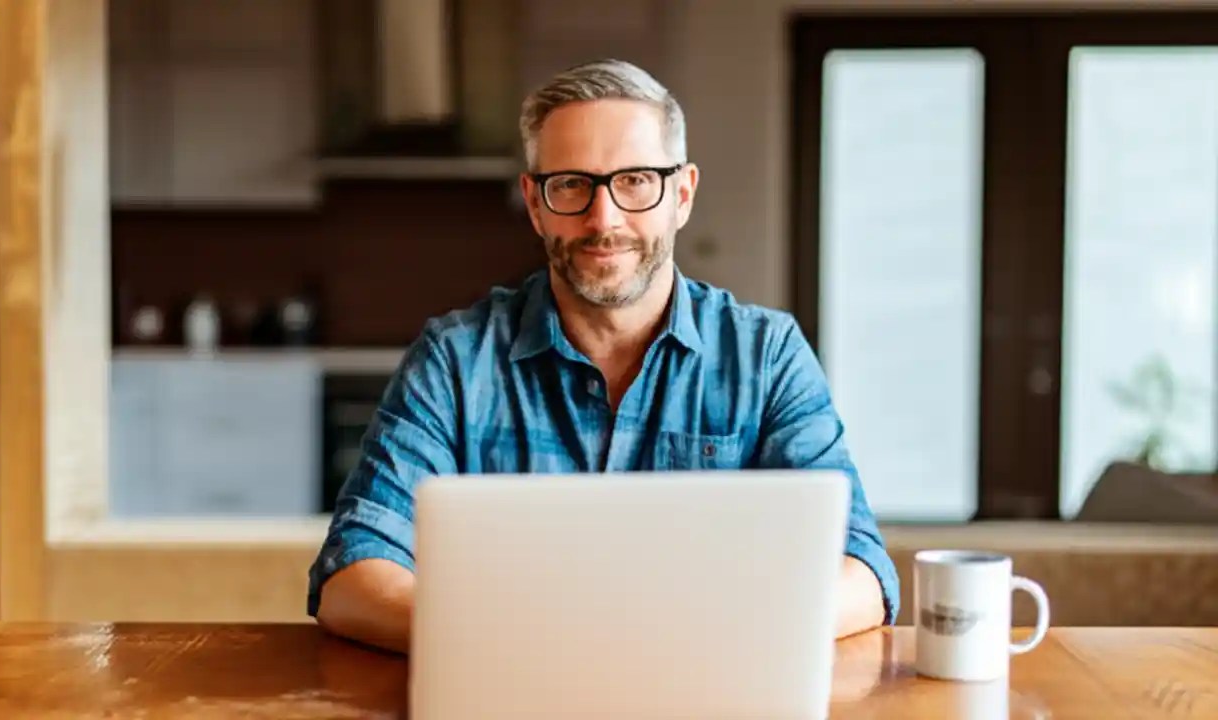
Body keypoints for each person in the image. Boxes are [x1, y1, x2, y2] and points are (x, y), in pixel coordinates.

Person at [308, 59, 899, 653]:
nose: (605, 219)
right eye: (571, 184)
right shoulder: (454, 361)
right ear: (535, 204)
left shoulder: (765, 356)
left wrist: (701, 640)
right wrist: (523, 644)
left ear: (682, 194)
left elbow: (862, 569)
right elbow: (354, 571)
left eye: (636, 180)